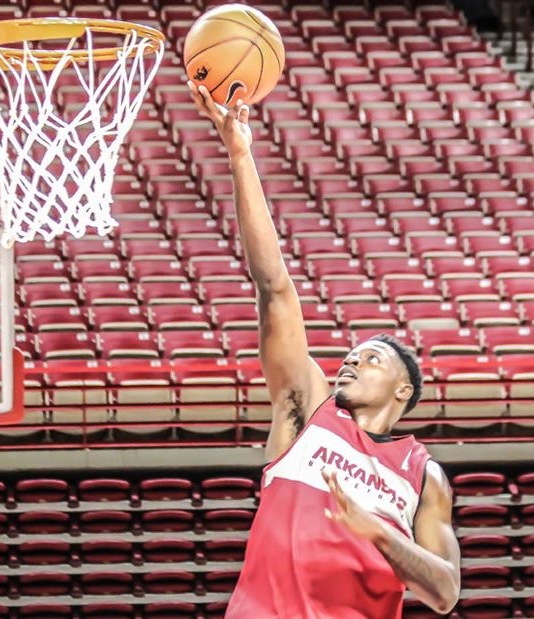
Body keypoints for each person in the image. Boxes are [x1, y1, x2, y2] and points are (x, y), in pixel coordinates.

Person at [189, 82, 461, 618]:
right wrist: (240, 154)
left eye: (372, 357)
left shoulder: (423, 474)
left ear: (404, 388)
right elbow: (275, 289)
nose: (352, 360)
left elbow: (446, 591)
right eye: (351, 355)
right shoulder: (309, 408)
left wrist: (380, 534)